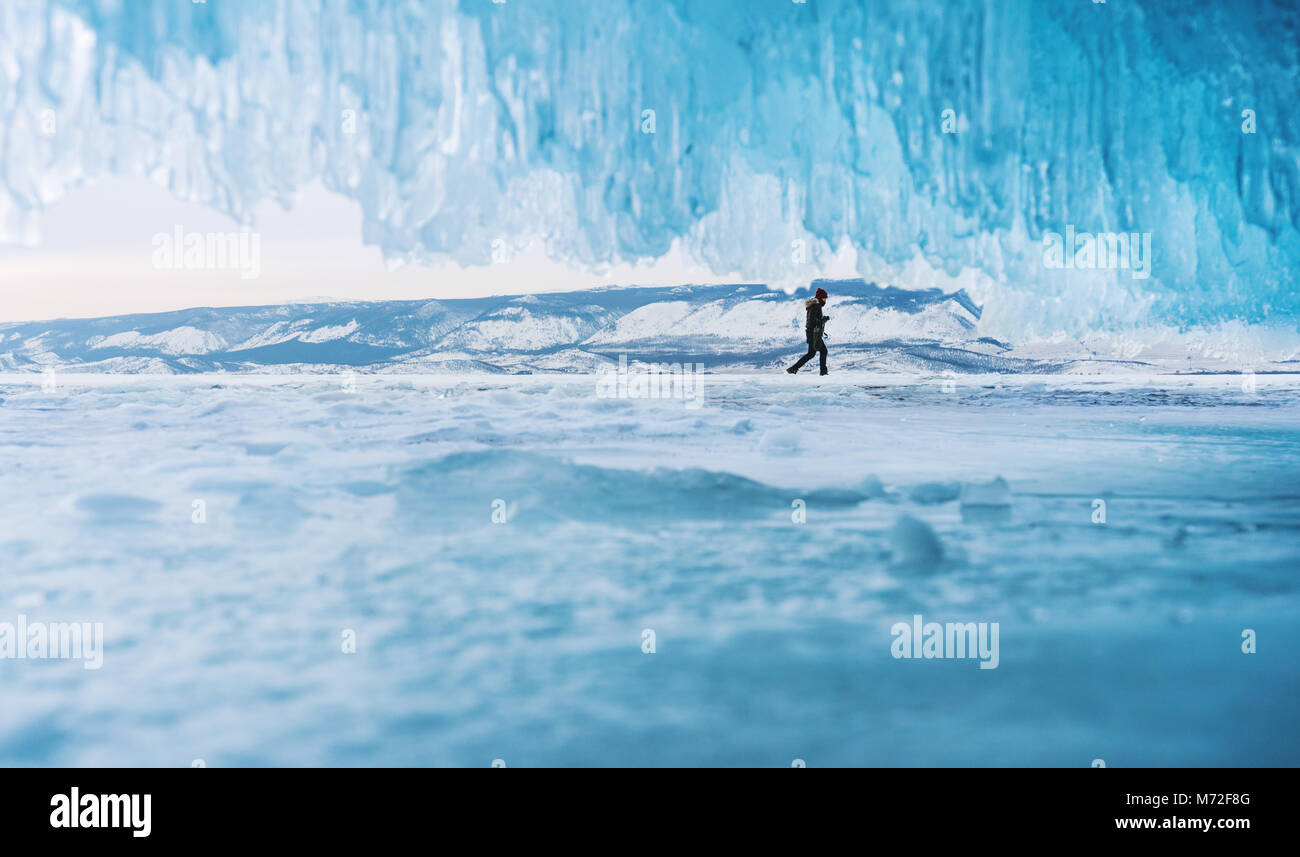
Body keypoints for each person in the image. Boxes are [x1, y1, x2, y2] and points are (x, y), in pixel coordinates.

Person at [786, 287, 830, 375]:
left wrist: (822, 319)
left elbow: (813, 319)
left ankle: (793, 369)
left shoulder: (815, 306)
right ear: (821, 298)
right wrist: (823, 320)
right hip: (814, 334)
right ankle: (823, 372)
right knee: (823, 351)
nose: (825, 300)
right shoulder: (816, 306)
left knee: (811, 354)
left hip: (812, 333)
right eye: (824, 298)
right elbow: (812, 320)